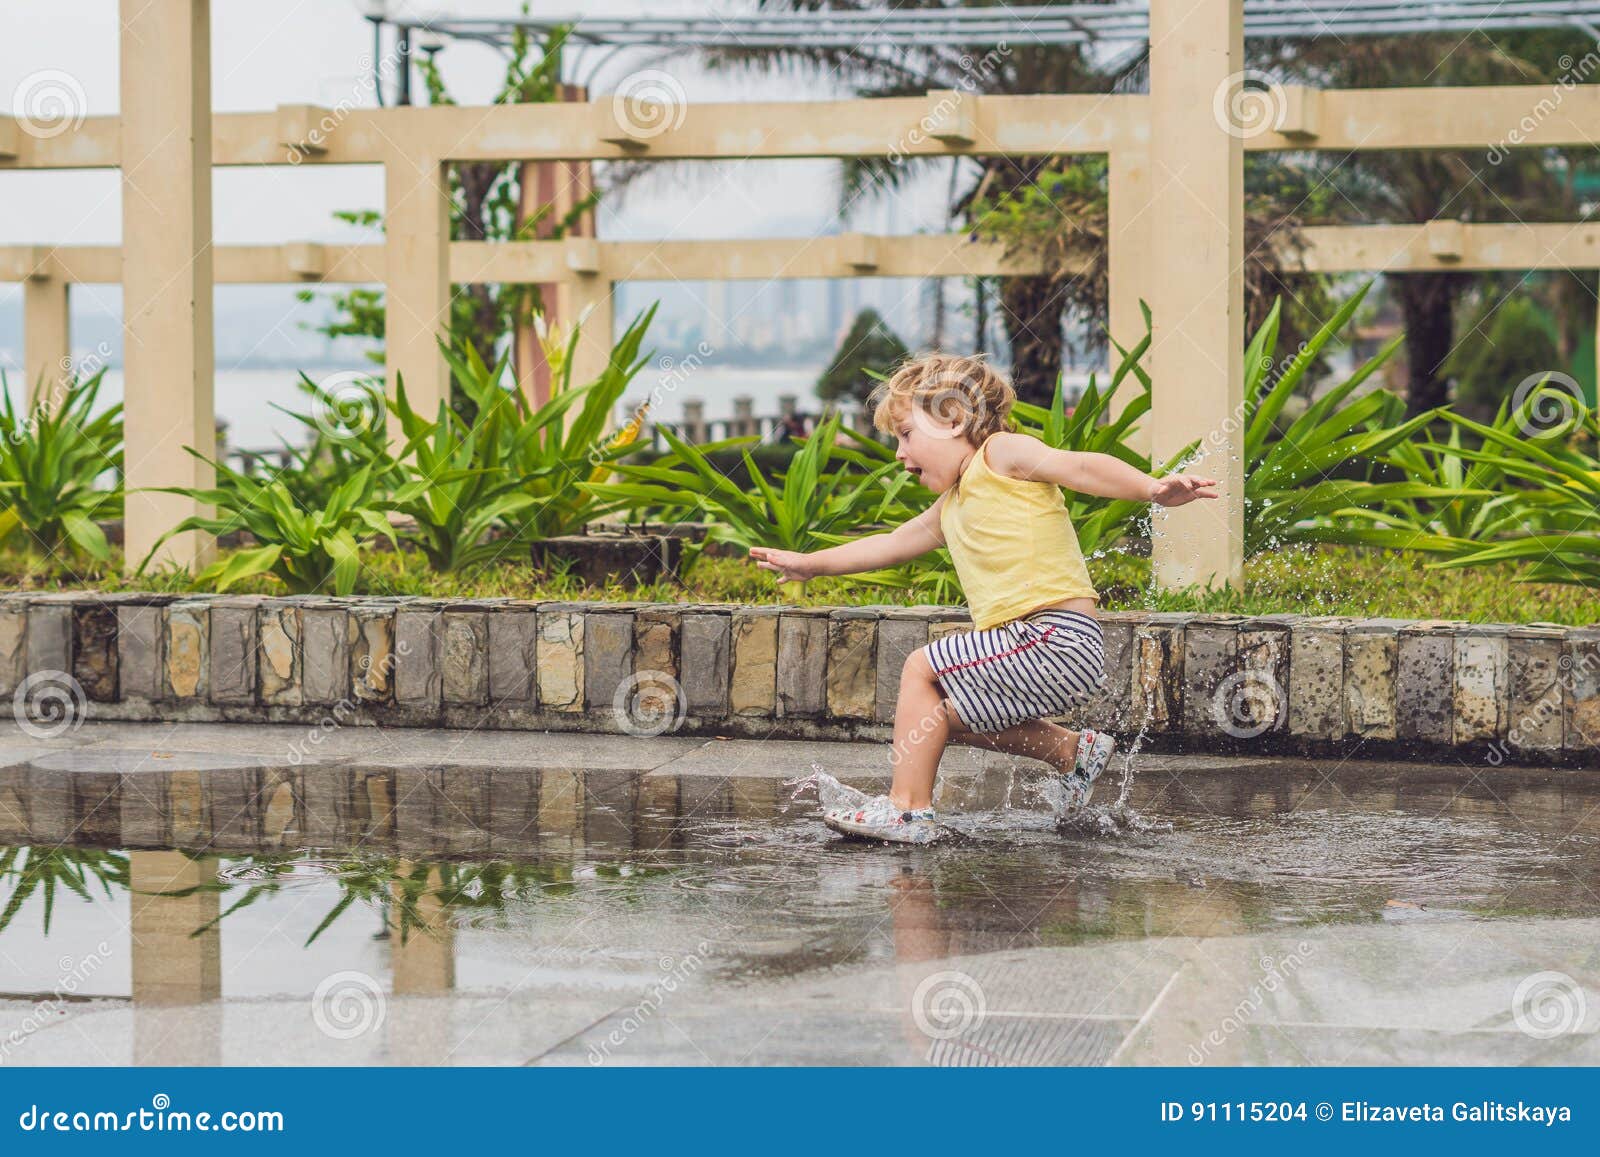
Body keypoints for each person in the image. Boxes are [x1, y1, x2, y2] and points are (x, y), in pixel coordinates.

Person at [748, 354, 1218, 843]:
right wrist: (807, 564)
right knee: (933, 720)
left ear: (952, 418)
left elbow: (1077, 466)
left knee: (920, 667)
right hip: (1044, 647)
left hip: (1053, 636)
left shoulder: (1000, 455)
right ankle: (1071, 752)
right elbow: (888, 545)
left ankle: (906, 809)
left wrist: (1153, 489)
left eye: (906, 434)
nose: (898, 453)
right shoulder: (952, 503)